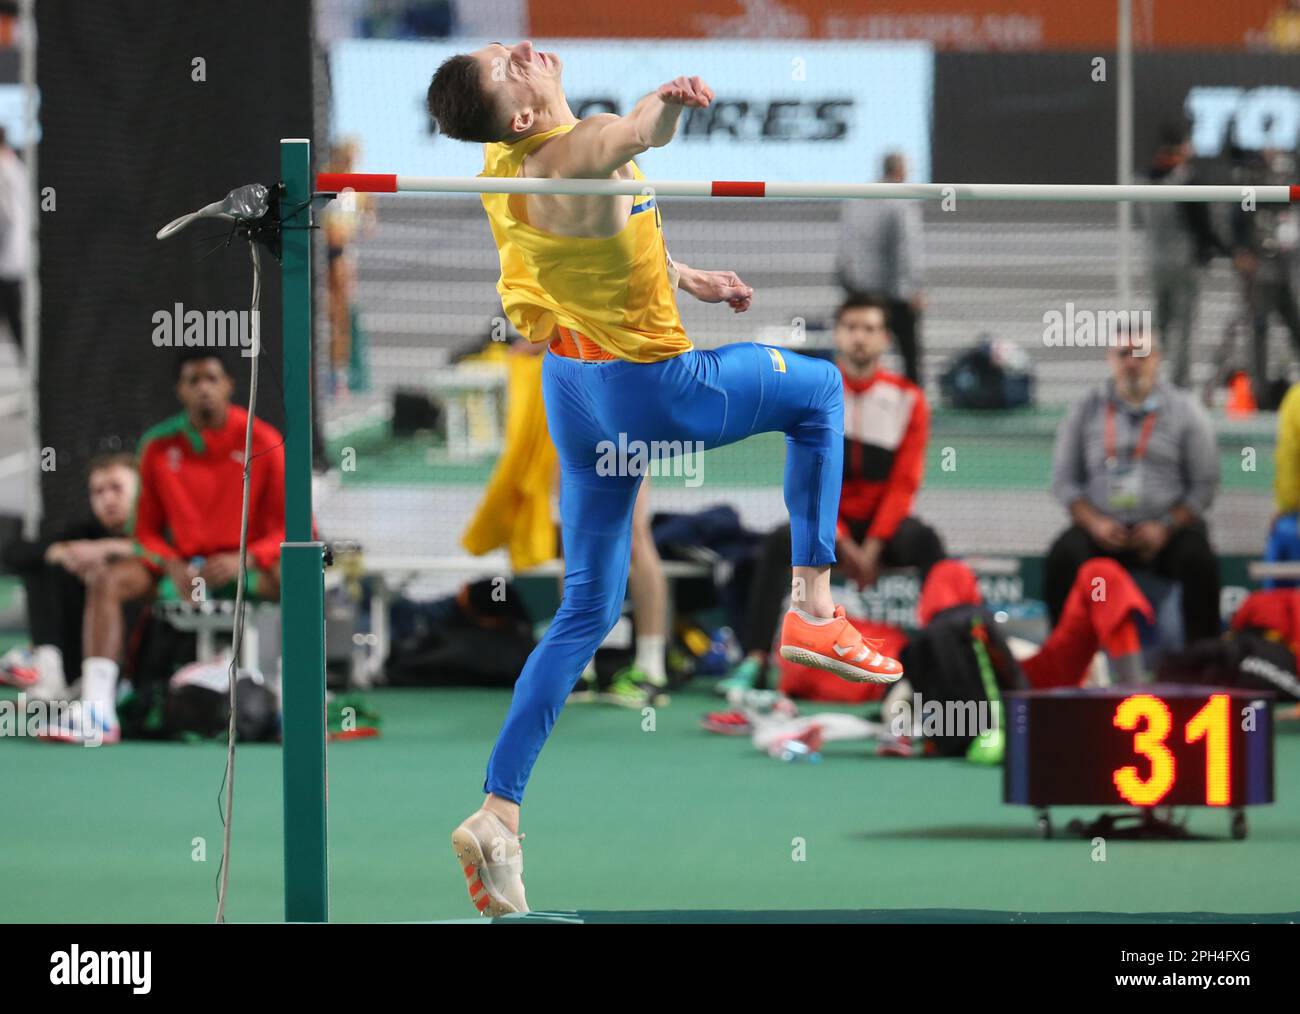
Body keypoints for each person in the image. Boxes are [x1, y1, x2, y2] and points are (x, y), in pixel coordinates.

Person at [425, 40, 902, 916]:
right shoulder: (579, 145)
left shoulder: (507, 162)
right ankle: (813, 610)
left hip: (573, 386)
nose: (523, 51)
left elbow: (598, 233)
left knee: (586, 608)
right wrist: (669, 104)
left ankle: (499, 814)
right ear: (522, 114)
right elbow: (636, 136)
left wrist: (685, 275)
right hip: (652, 393)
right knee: (821, 393)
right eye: (507, 67)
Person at [45, 351, 286, 744]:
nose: (204, 388)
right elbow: (144, 532)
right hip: (184, 573)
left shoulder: (264, 441)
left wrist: (245, 559)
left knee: (297, 578)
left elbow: (290, 528)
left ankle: (296, 698)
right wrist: (171, 561)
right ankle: (98, 709)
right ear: (180, 390)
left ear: (229, 385)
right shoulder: (157, 446)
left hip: (246, 569)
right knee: (108, 579)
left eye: (212, 379)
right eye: (193, 381)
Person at [720, 294, 944, 695]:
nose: (860, 337)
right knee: (777, 543)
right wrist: (839, 538)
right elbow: (809, 477)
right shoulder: (815, 391)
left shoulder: (909, 399)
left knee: (927, 543)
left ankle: (937, 659)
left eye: (870, 329)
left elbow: (904, 484)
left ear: (885, 338)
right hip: (828, 522)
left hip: (882, 531)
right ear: (838, 334)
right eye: (851, 327)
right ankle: (754, 660)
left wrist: (872, 546)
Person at [1046, 328, 1221, 645]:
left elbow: (1204, 484)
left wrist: (1165, 526)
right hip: (1101, 533)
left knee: (1199, 560)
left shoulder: (1186, 410)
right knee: (1064, 555)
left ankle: (1203, 657)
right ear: (1110, 359)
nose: (1132, 362)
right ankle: (1065, 653)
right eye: (1123, 354)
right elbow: (1064, 482)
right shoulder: (1085, 409)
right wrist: (1095, 523)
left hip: (1166, 533)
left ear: (1157, 359)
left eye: (1141, 354)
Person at [0, 453, 139, 697]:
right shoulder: (85, 532)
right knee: (47, 564)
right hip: (81, 650)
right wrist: (61, 553)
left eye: (116, 488)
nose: (107, 499)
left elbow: (171, 554)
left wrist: (109, 553)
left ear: (142, 490)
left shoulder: (160, 530)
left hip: (140, 649)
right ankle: (50, 666)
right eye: (98, 492)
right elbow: (15, 552)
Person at [1144, 123, 1229, 389]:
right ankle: (1179, 384)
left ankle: (1150, 378)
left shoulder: (1146, 179)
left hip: (1156, 263)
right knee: (1183, 327)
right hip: (1183, 264)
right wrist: (1224, 250)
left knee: (1159, 324)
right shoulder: (1187, 180)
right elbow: (1202, 225)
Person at [835, 152, 926, 384]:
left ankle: (855, 396)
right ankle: (913, 399)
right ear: (901, 171)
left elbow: (845, 245)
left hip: (860, 291)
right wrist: (913, 289)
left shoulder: (856, 199)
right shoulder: (902, 200)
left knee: (859, 353)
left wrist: (847, 284)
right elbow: (906, 248)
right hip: (895, 295)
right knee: (909, 355)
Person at [0, 126, 29, 360]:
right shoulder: (18, 167)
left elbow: (6, 215)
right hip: (17, 256)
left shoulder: (4, 169)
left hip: (7, 258)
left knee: (15, 318)